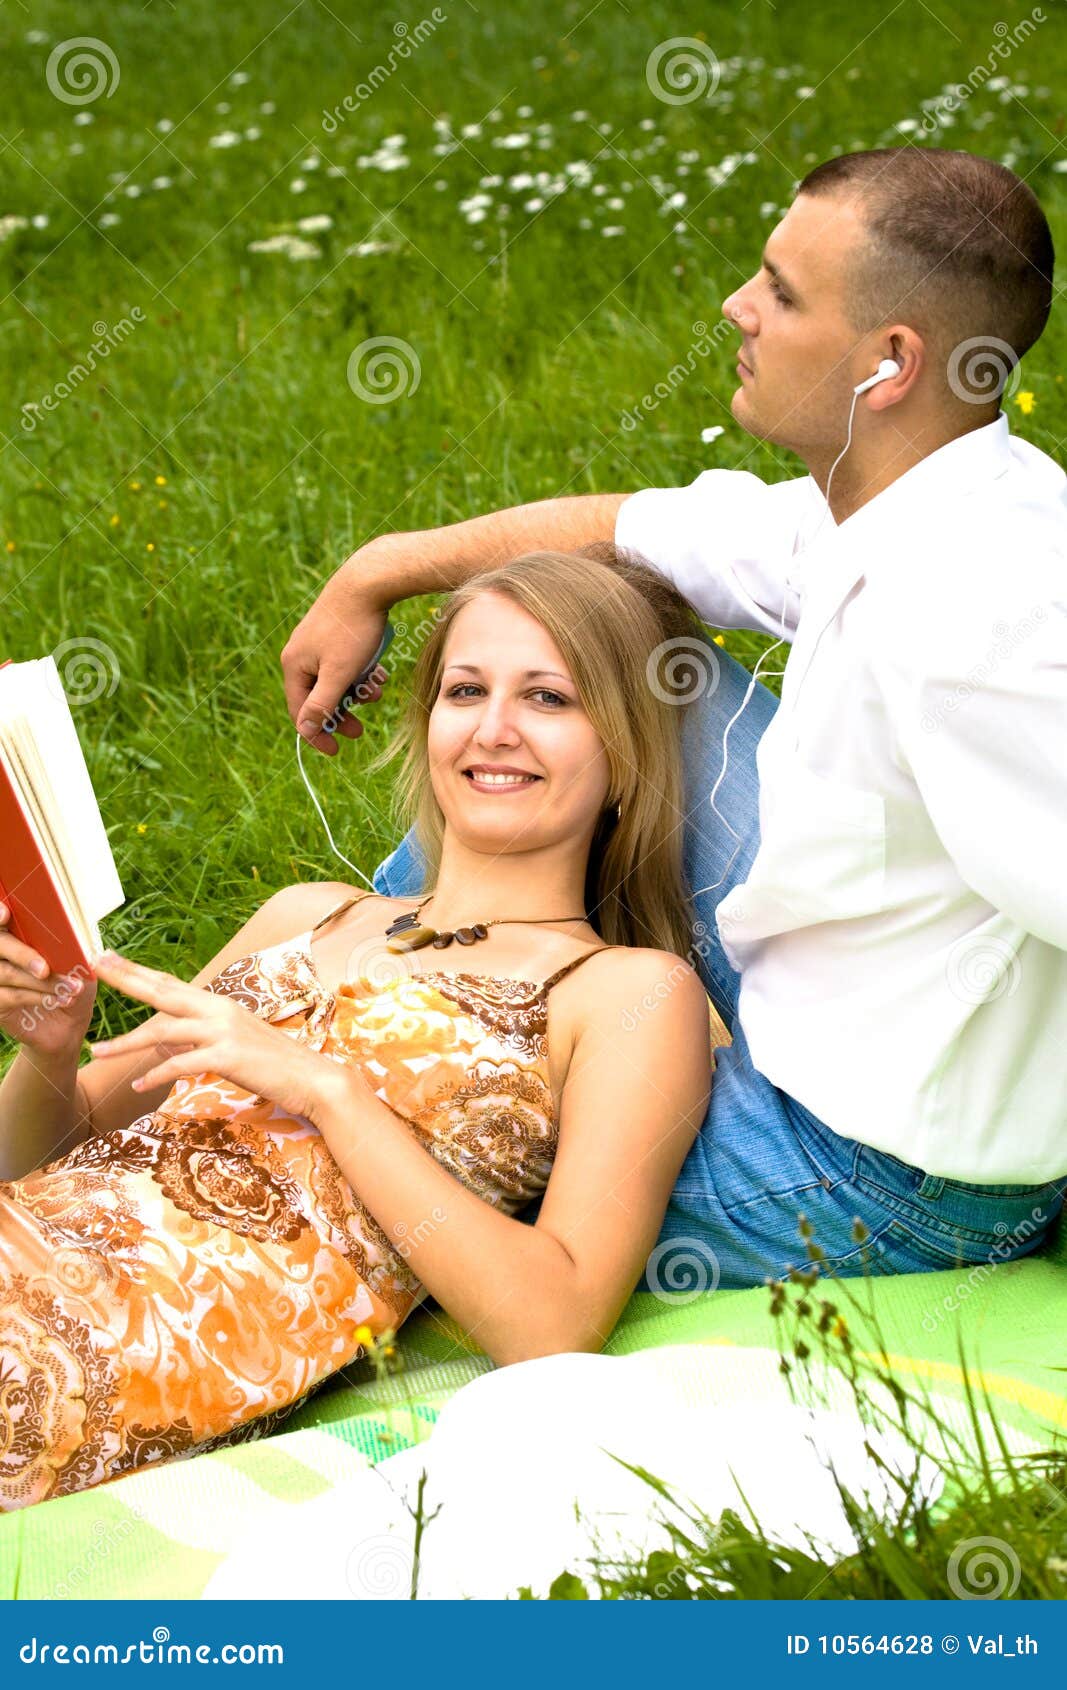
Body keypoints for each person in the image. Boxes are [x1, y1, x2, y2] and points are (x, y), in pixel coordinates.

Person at [282, 147, 1067, 1285]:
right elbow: (624, 531)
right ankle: (408, 980)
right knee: (628, 644)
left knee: (422, 1141)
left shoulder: (969, 626)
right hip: (839, 997)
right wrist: (378, 571)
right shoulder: (913, 491)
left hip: (872, 1177)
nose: (735, 308)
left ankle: (394, 1043)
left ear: (887, 363)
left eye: (781, 293)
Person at [0, 550, 719, 1511]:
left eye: (549, 698)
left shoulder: (626, 993)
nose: (494, 729)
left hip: (92, 1347)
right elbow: (35, 1159)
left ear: (626, 751)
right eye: (465, 689)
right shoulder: (310, 914)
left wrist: (326, 1091)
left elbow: (552, 1325)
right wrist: (48, 1054)